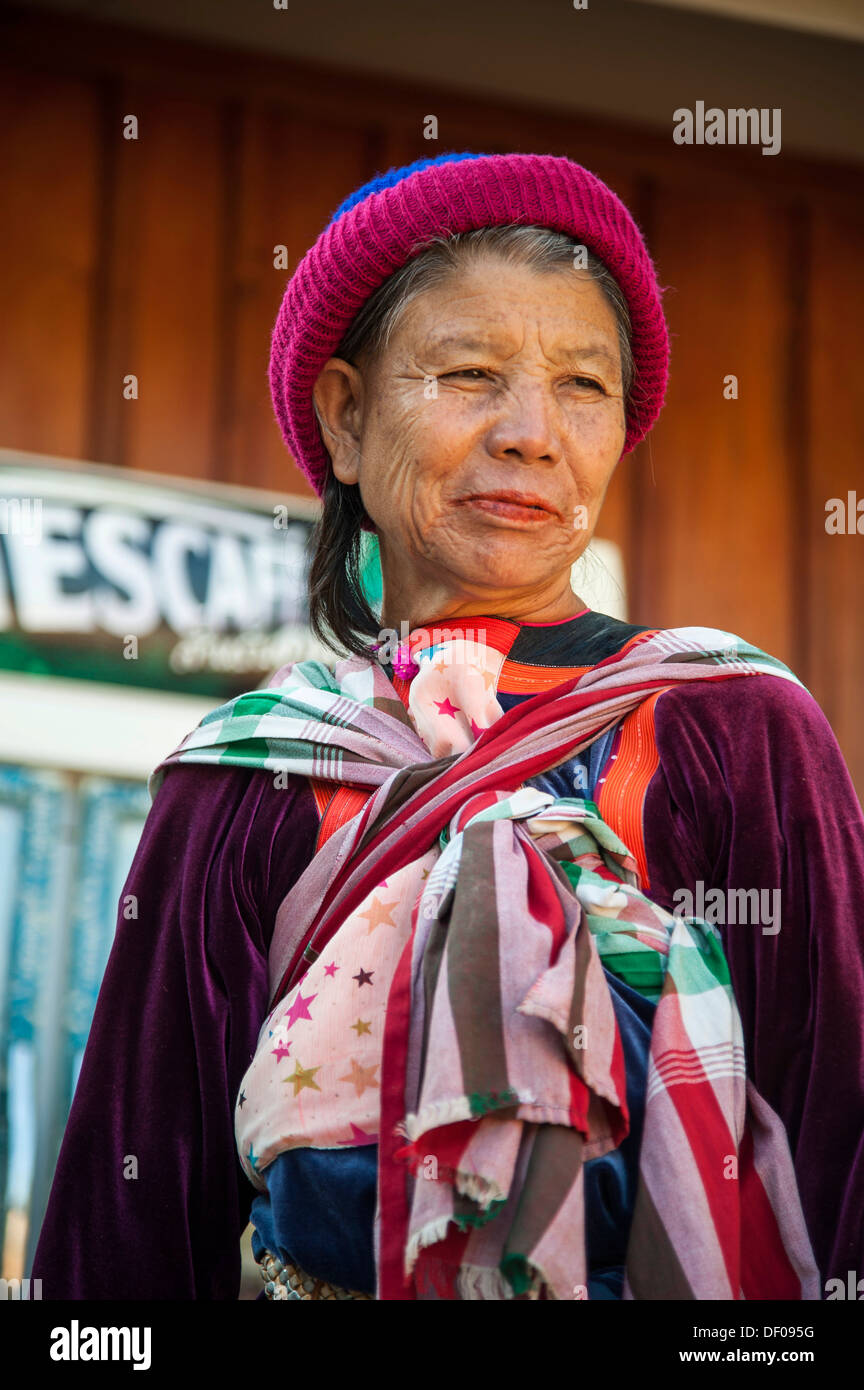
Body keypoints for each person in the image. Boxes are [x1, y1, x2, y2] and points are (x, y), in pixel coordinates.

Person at [32, 152, 864, 1301]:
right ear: (347, 417)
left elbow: (842, 1141)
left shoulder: (731, 729)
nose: (533, 432)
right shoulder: (248, 776)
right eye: (470, 371)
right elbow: (124, 1237)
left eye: (584, 385)